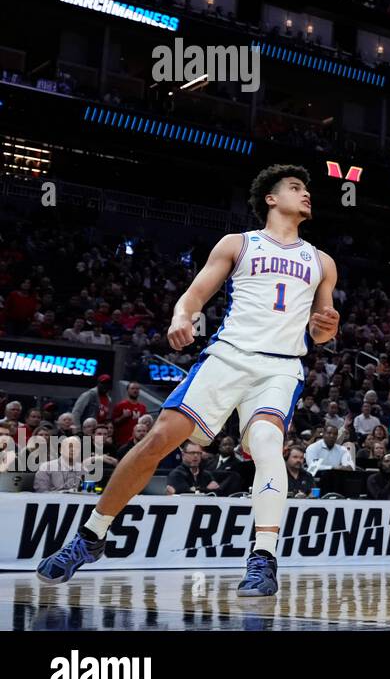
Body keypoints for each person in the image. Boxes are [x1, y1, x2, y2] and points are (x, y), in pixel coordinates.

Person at [37, 164, 339, 598]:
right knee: (158, 438)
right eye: (295, 187)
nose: (306, 193)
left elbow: (321, 331)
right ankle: (91, 535)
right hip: (228, 356)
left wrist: (327, 326)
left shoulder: (322, 261)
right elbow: (195, 295)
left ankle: (263, 559)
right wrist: (182, 317)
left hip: (280, 365)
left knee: (269, 446)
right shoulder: (239, 243)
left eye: (307, 189)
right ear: (271, 199)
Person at [110, 382, 148, 449]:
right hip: (123, 442)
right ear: (128, 390)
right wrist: (123, 417)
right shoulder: (120, 406)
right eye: (132, 388)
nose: (135, 390)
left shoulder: (143, 407)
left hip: (139, 442)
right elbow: (114, 422)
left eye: (137, 389)